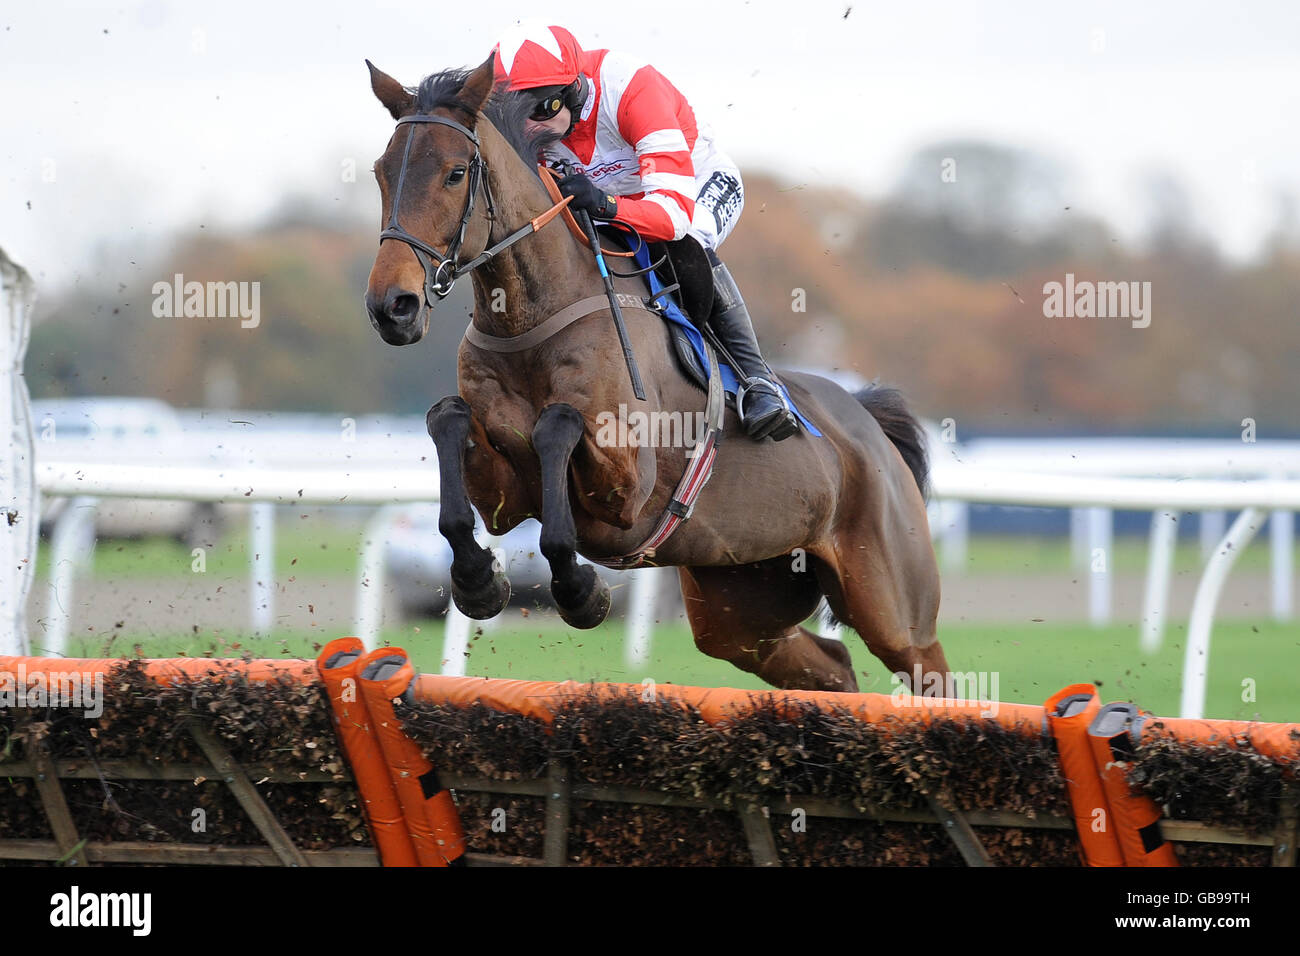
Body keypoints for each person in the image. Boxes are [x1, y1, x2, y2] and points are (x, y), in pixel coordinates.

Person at [491, 22, 799, 441]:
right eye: (517, 114)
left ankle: (758, 382)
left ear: (576, 90)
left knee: (686, 240)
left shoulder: (632, 87)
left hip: (692, 187)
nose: (532, 131)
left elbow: (672, 216)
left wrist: (604, 203)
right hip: (606, 198)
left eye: (542, 110)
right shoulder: (536, 121)